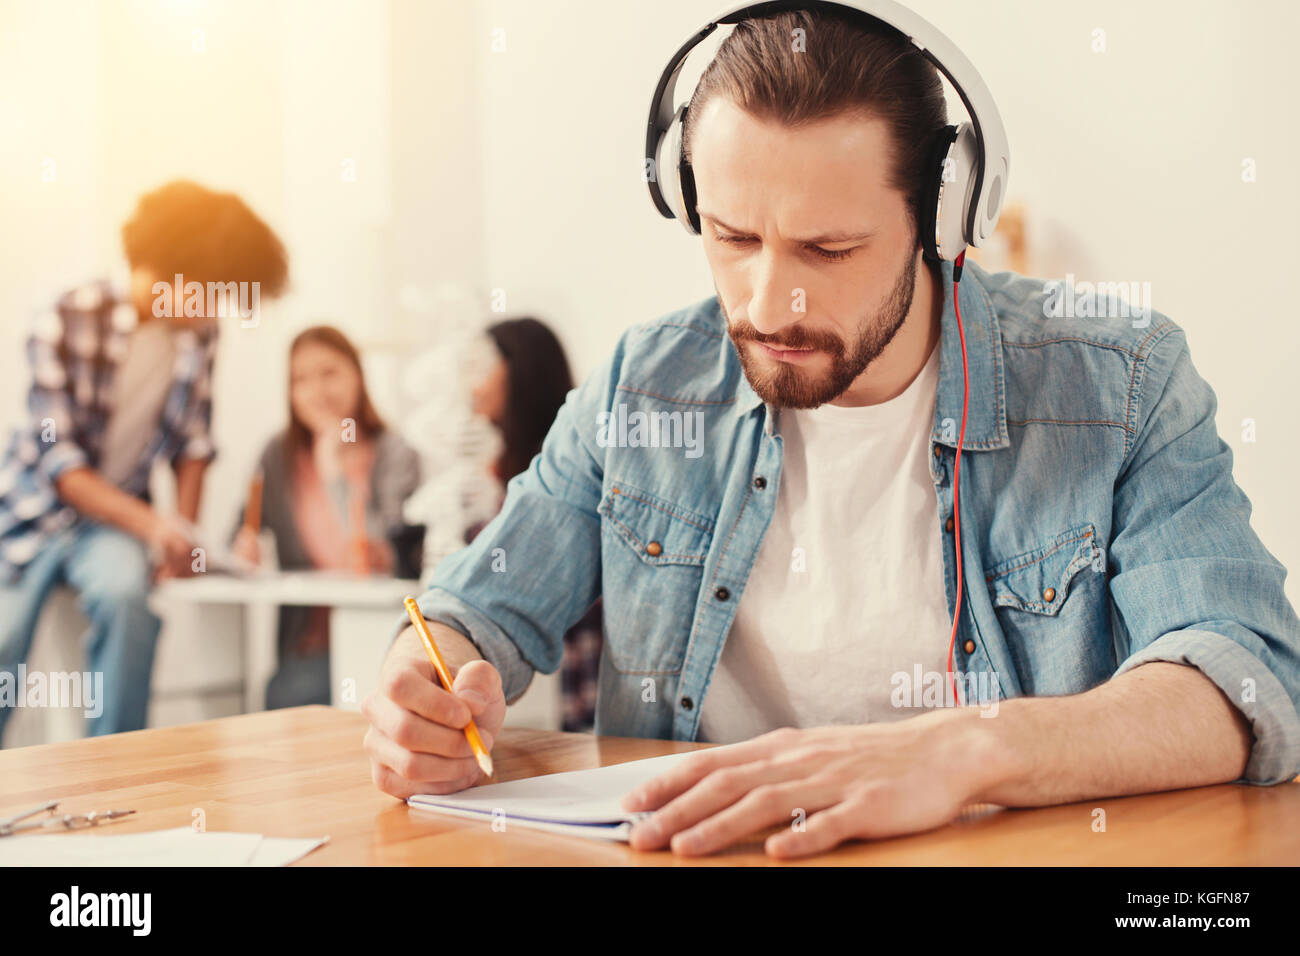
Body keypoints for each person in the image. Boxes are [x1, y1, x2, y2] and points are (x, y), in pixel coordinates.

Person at [361, 4, 1300, 859]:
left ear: (945, 218)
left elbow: (1245, 679)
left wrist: (961, 751)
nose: (771, 303)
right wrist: (422, 686)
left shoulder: (1120, 381)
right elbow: (469, 614)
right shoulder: (645, 386)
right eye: (733, 238)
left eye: (829, 249)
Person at [0, 180, 289, 741]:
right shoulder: (64, 314)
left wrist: (179, 534)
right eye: (208, 289)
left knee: (128, 599)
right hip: (24, 519)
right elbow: (62, 467)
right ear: (168, 266)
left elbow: (193, 446)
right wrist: (156, 525)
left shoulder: (199, 334)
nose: (213, 307)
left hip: (112, 529)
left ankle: (114, 767)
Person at [232, 325, 421, 709]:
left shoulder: (395, 452)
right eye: (300, 379)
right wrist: (241, 549)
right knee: (284, 694)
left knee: (291, 696)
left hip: (383, 638)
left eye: (329, 373)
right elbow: (235, 535)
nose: (316, 391)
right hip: (306, 645)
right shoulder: (277, 456)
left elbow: (384, 558)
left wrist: (335, 474)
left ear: (358, 374)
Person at [468, 317, 600, 732]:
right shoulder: (491, 464)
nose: (470, 385)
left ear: (518, 370)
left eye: (481, 368)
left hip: (575, 678)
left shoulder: (566, 467)